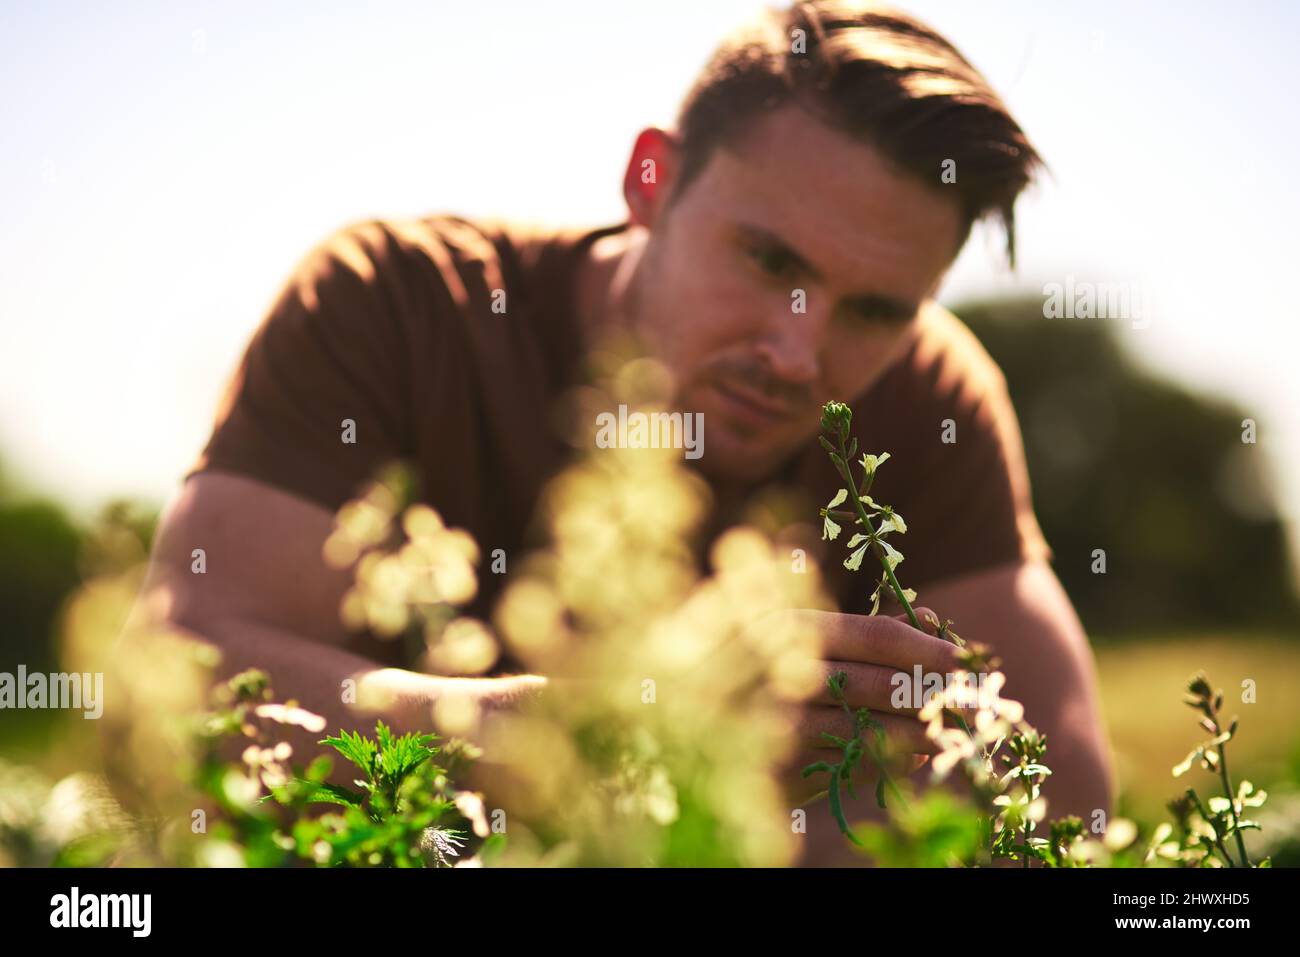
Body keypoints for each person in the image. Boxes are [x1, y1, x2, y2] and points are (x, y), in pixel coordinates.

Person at [135, 0, 1112, 865]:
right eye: (769, 258)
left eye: (874, 311)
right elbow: (183, 667)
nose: (796, 353)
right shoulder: (394, 304)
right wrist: (604, 732)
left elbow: (1070, 793)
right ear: (651, 180)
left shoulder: (931, 395)